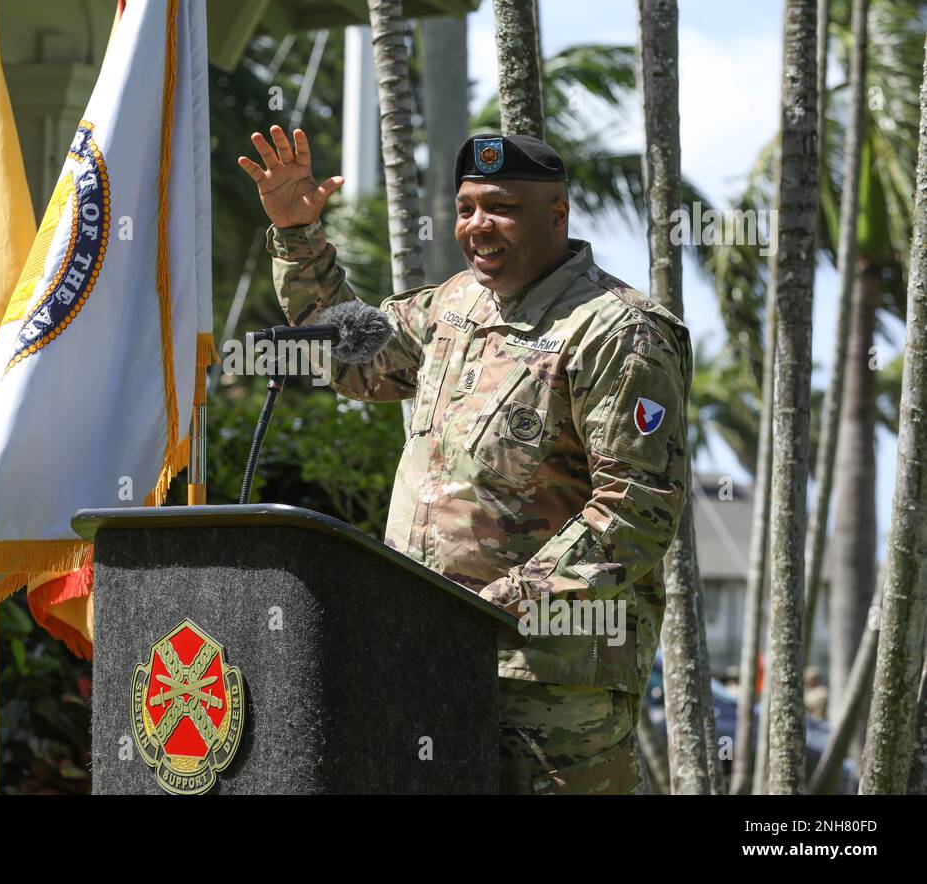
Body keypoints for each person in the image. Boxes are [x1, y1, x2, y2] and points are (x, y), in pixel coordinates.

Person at [238, 125, 692, 794]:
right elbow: (347, 355)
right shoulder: (452, 308)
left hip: (551, 691)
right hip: (428, 663)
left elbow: (637, 511)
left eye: (501, 207)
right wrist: (298, 235)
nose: (477, 225)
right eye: (467, 207)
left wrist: (496, 607)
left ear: (557, 214)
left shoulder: (618, 331)